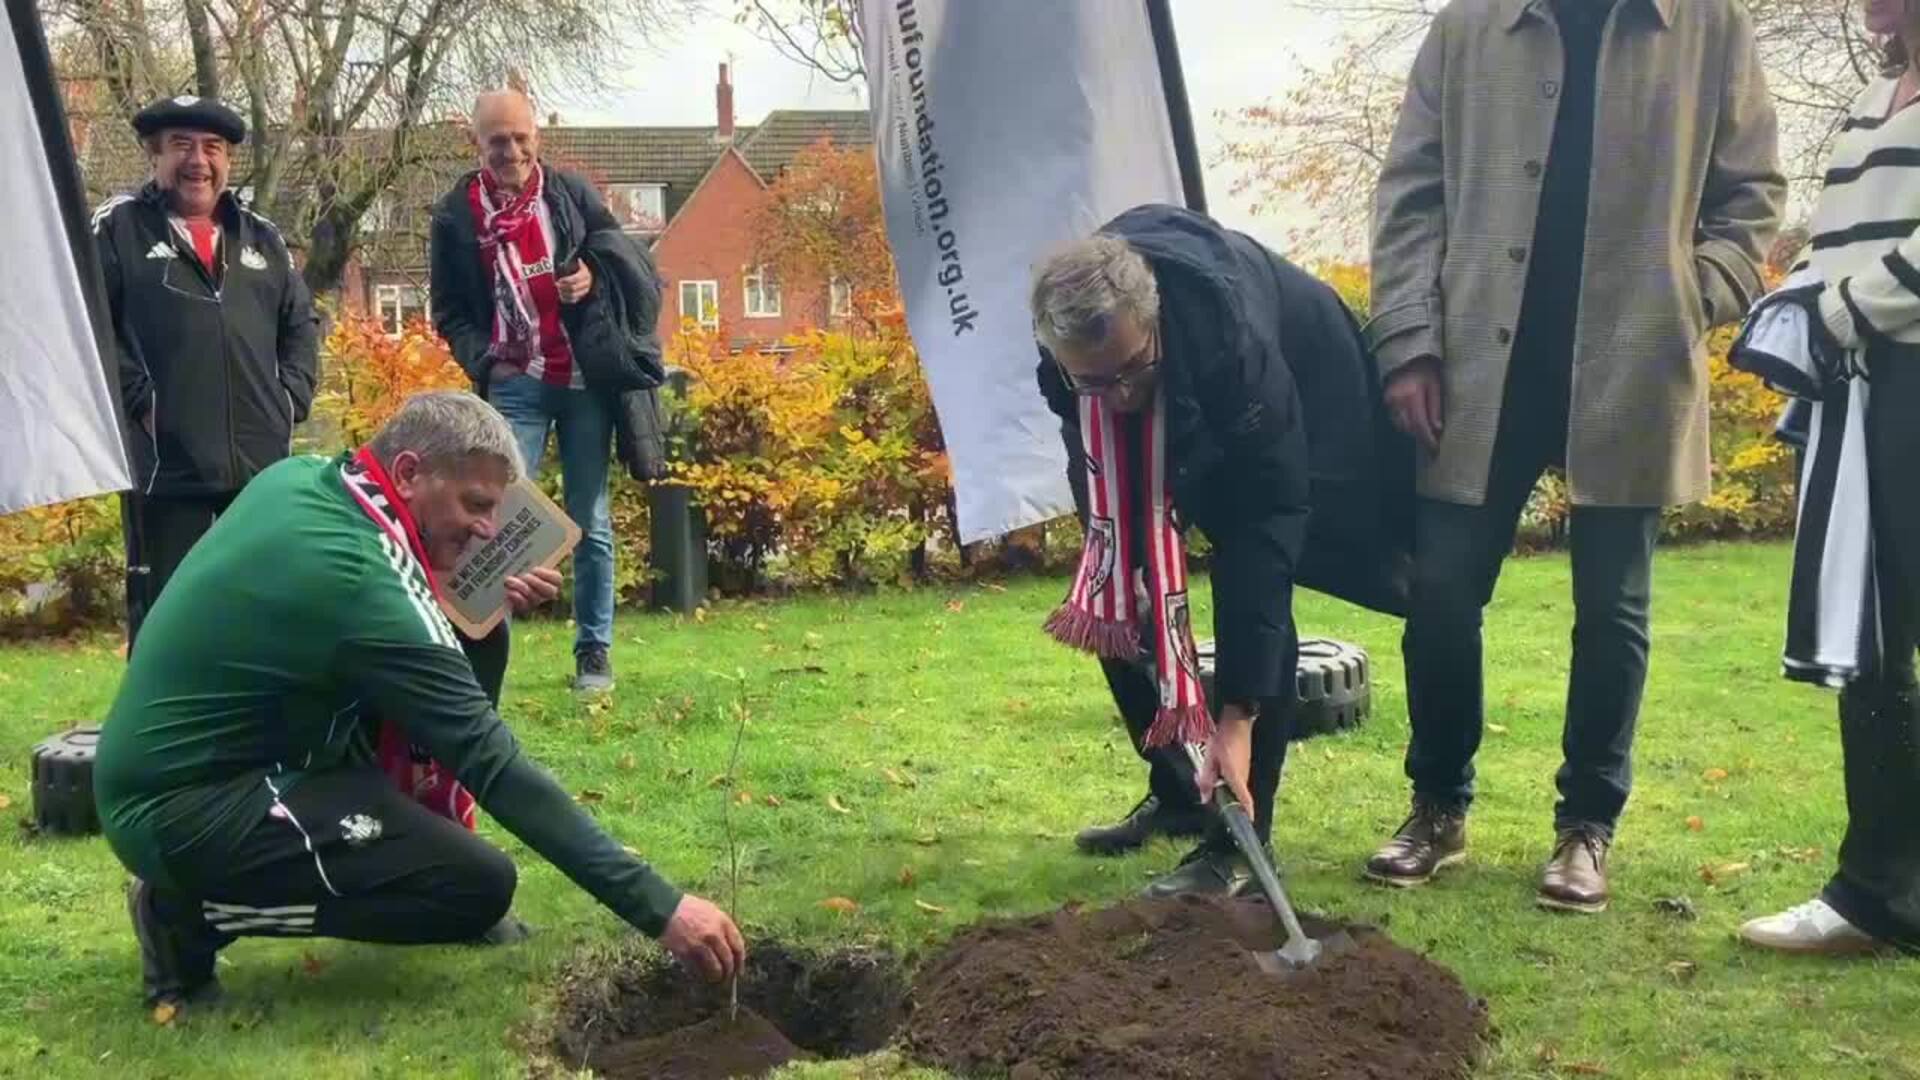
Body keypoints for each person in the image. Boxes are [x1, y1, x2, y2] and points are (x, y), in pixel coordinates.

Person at [95, 391, 744, 1011]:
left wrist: (472, 607)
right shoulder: (359, 575)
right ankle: (184, 913)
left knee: (452, 853)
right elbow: (486, 758)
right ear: (409, 474)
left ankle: (213, 889)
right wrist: (661, 907)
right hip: (181, 808)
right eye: (474, 503)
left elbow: (436, 699)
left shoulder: (307, 480)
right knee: (472, 888)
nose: (488, 529)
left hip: (248, 757)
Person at [1363, 0, 1786, 913]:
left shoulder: (1711, 26)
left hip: (1634, 364)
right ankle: (1437, 805)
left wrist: (1694, 295)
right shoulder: (1470, 26)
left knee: (1613, 610)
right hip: (1478, 366)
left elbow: (1753, 197)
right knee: (1438, 594)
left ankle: (1587, 827)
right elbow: (1409, 192)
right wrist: (1408, 343)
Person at [1033, 204, 1409, 897]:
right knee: (1111, 595)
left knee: (1256, 589)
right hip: (1183, 390)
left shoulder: (1230, 344)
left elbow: (1261, 531)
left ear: (1154, 325)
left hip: (1309, 395)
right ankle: (1179, 794)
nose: (1112, 400)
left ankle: (1237, 839)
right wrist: (1123, 563)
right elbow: (1089, 453)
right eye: (1090, 382)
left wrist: (1236, 715)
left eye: (1124, 375)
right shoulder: (1075, 356)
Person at [1735, 0, 1920, 957]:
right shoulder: (1868, 100)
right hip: (1864, 393)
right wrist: (1796, 304)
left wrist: (1840, 311)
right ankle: (1877, 894)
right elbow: (1832, 239)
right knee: (1874, 641)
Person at [430, 89, 666, 694]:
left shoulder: (571, 195)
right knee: (495, 520)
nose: (510, 151)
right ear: (476, 144)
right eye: (496, 141)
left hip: (585, 383)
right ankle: (486, 654)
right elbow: (450, 313)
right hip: (516, 386)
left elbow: (627, 261)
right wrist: (486, 360)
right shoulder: (456, 215)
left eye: (520, 138)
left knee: (589, 517)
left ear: (537, 136)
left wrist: (592, 275)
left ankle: (594, 652)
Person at [92, 95, 320, 650]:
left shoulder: (261, 237)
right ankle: (160, 733)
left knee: (264, 607)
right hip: (167, 469)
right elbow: (92, 325)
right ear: (154, 154)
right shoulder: (117, 227)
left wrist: (289, 399)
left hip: (259, 472)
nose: (199, 160)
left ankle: (255, 729)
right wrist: (144, 404)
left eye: (212, 148)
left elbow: (302, 324)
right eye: (182, 146)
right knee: (169, 618)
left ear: (229, 161)